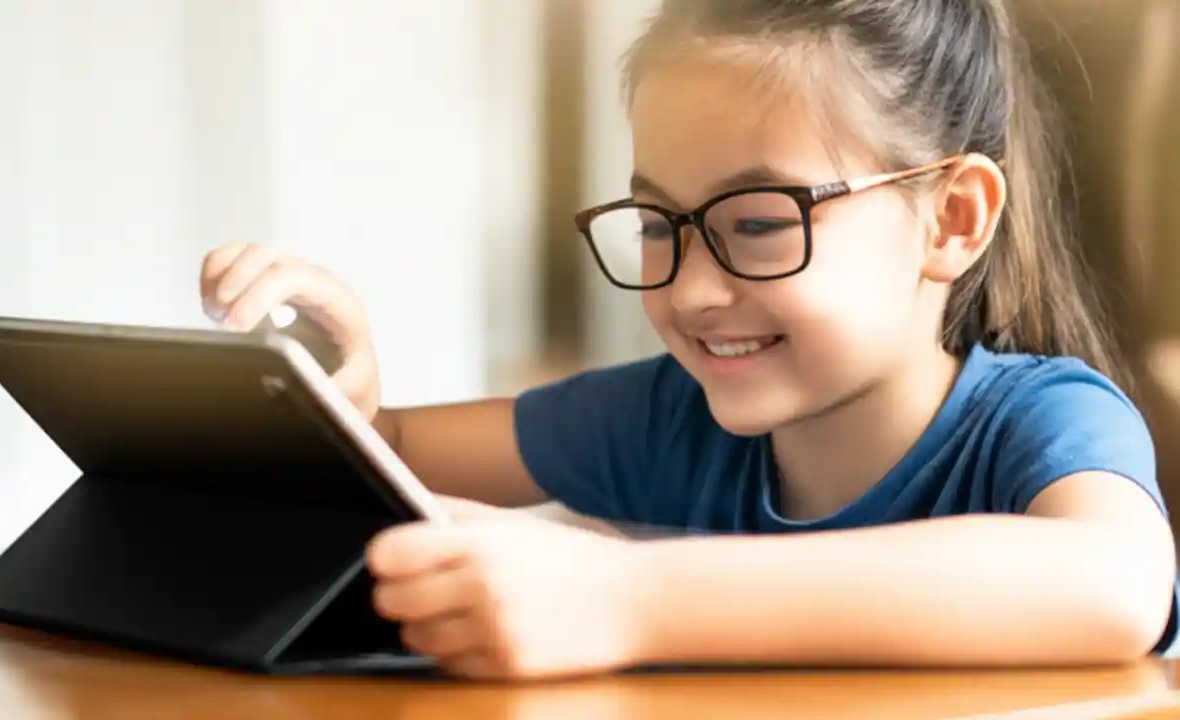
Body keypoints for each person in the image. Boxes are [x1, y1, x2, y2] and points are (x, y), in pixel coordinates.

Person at [199, 0, 1178, 680]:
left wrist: (624, 596)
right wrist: (348, 396)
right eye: (659, 224)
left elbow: (1114, 584)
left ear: (952, 220)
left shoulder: (1044, 420)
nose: (692, 290)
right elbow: (394, 459)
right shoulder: (665, 419)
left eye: (757, 222)